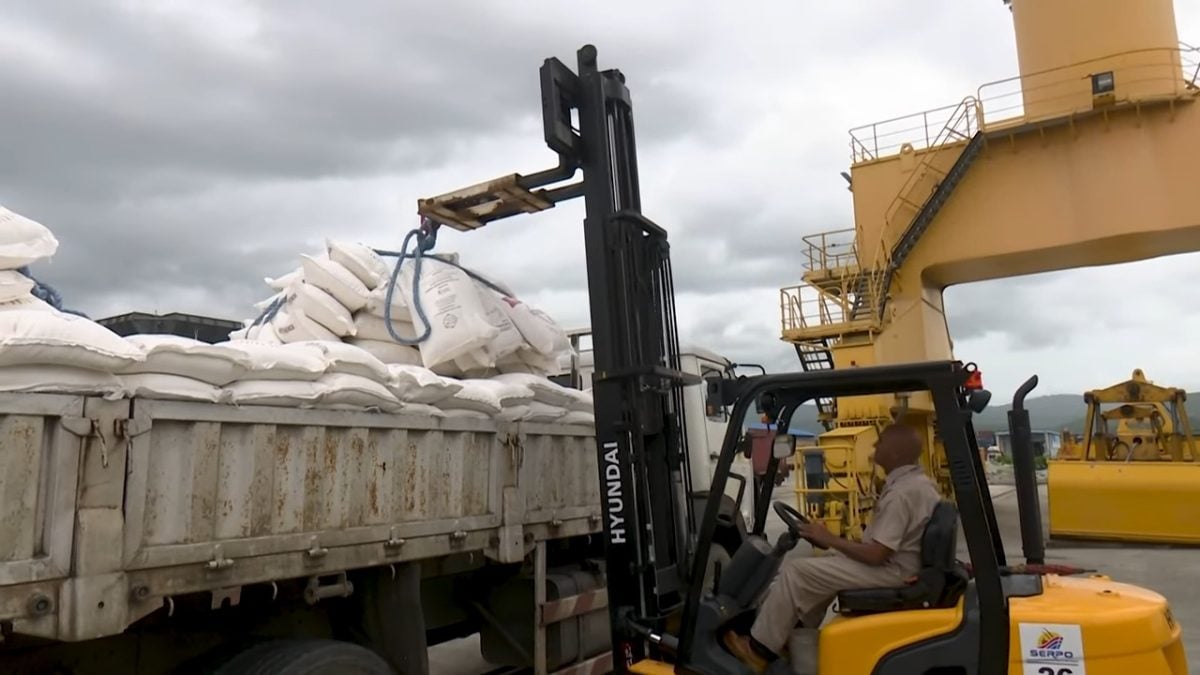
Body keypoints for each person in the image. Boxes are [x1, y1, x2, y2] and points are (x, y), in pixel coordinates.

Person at [724, 423, 942, 671]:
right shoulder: (917, 485)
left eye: (880, 443)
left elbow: (877, 554)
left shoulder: (902, 493)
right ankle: (788, 639)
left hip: (894, 572)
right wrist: (828, 542)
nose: (874, 446)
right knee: (823, 569)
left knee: (798, 572)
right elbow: (879, 546)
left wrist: (829, 540)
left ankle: (757, 649)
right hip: (901, 567)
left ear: (895, 454)